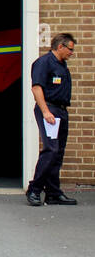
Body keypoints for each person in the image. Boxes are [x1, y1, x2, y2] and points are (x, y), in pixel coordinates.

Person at [26, 33, 77, 206]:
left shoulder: (62, 65)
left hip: (61, 111)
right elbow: (36, 88)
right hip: (50, 110)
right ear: (60, 46)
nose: (72, 53)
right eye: (70, 49)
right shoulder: (44, 63)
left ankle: (53, 192)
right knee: (51, 149)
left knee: (58, 152)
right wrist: (46, 111)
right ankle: (34, 189)